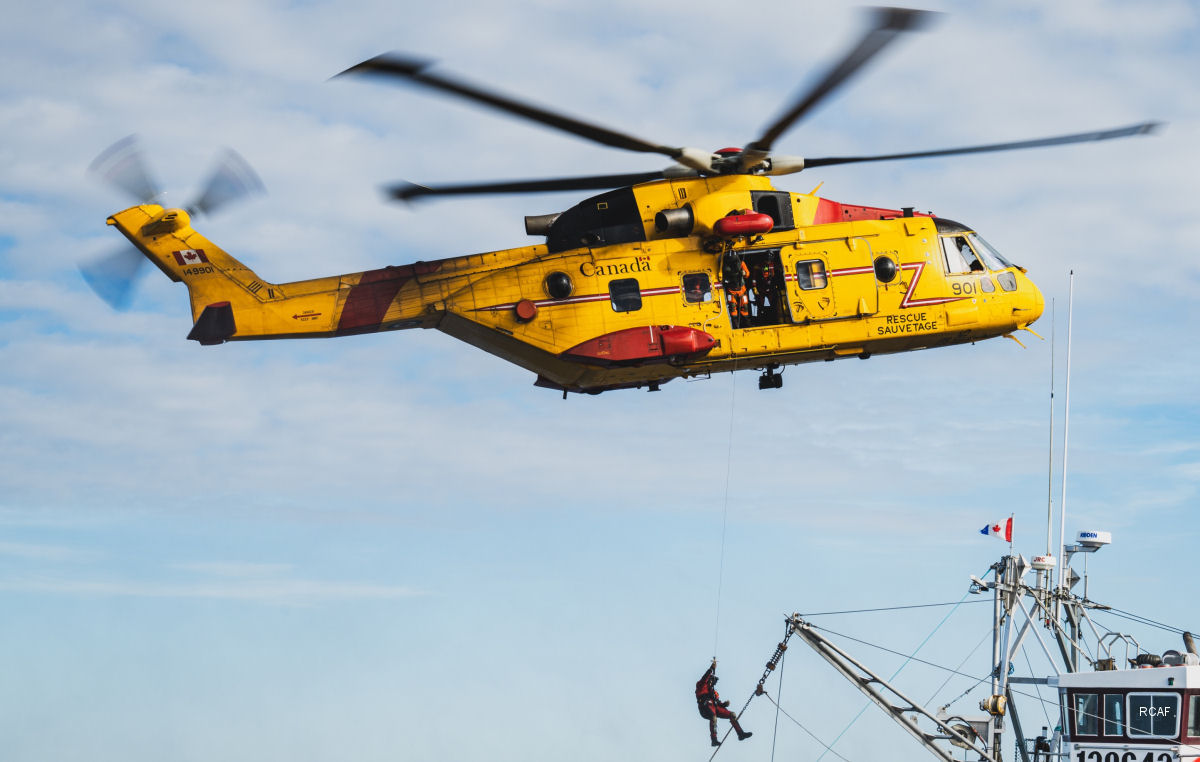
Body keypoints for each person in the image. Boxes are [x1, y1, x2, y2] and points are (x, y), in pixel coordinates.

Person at [695, 660, 752, 747]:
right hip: (705, 707)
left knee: (732, 714)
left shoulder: (714, 693)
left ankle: (740, 734)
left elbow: (718, 703)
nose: (713, 683)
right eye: (712, 681)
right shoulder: (701, 685)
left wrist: (724, 704)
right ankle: (714, 739)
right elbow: (704, 677)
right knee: (713, 717)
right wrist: (711, 669)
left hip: (714, 707)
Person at [722, 253, 750, 328]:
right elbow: (722, 277)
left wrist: (744, 273)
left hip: (742, 289)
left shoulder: (741, 263)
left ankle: (747, 325)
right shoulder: (724, 266)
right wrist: (726, 280)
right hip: (731, 291)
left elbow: (747, 274)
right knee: (732, 308)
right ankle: (735, 326)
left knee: (745, 307)